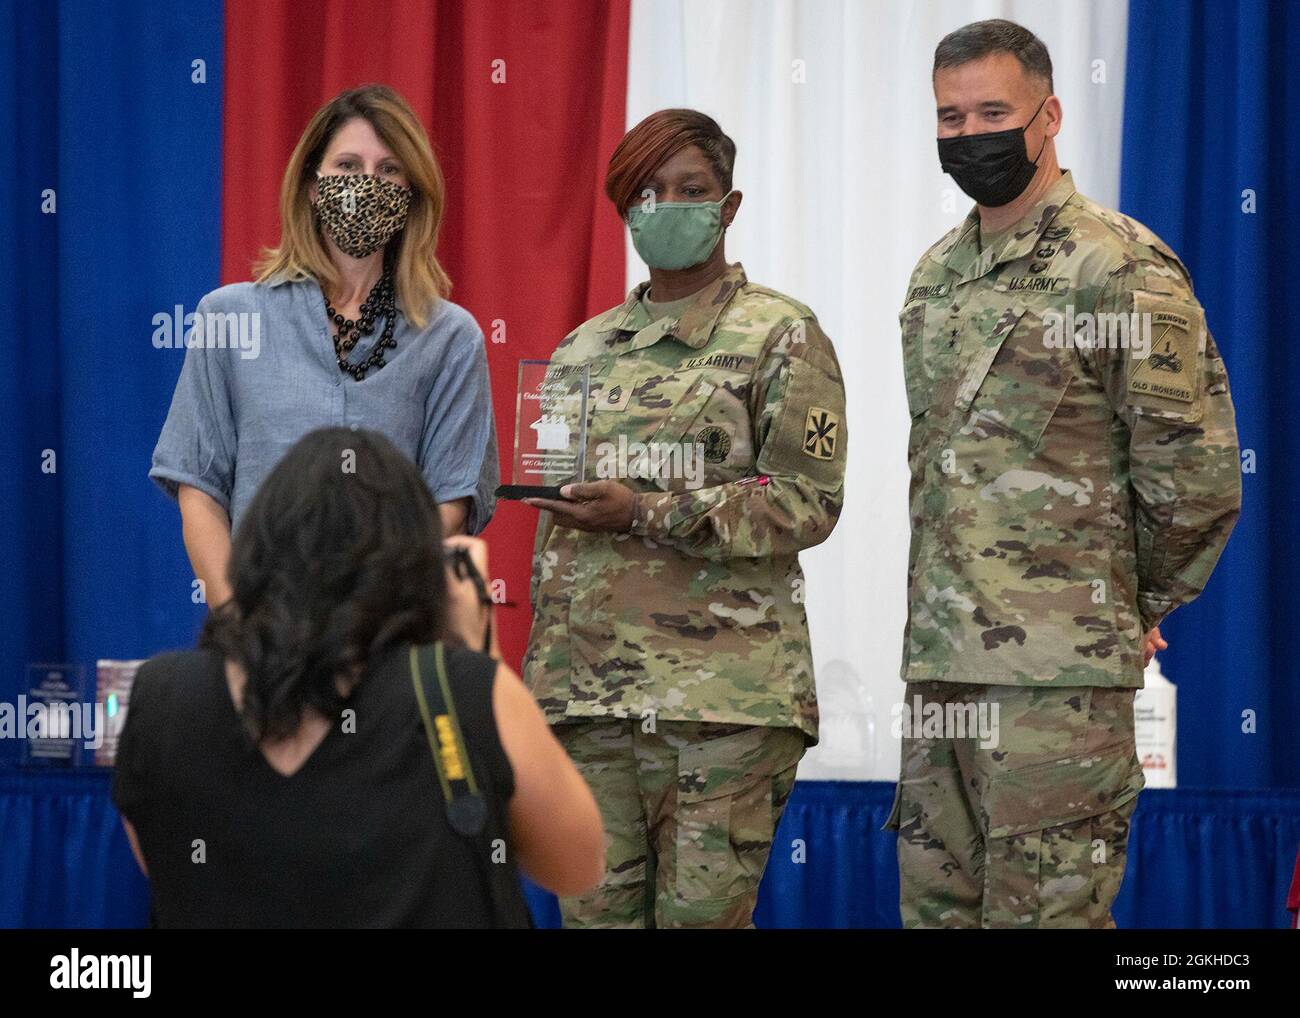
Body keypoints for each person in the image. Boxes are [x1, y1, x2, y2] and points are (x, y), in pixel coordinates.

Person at [886, 19, 1242, 928]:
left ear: (1047, 116)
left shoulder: (1117, 267)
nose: (970, 135)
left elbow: (1194, 474)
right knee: (937, 915)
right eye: (950, 117)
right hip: (941, 674)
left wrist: (1129, 603)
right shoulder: (938, 276)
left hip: (1058, 684)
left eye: (992, 111)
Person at [521, 109, 848, 928]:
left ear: (728, 205)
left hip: (726, 708)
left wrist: (646, 511)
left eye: (690, 189)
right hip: (589, 706)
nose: (667, 205)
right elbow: (550, 516)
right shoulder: (579, 351)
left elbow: (807, 500)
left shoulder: (783, 334)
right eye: (647, 191)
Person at [112, 428, 604, 928]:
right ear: (416, 561)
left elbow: (165, 864)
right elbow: (576, 866)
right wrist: (477, 650)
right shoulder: (463, 691)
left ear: (256, 543)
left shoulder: (162, 696)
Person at [149, 84, 498, 610]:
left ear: (411, 193)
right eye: (348, 165)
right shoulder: (227, 315)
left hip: (389, 636)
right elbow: (199, 487)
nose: (366, 183)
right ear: (313, 186)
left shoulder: (452, 337)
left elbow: (449, 500)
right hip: (258, 633)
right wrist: (237, 620)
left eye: (388, 170)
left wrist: (367, 619)